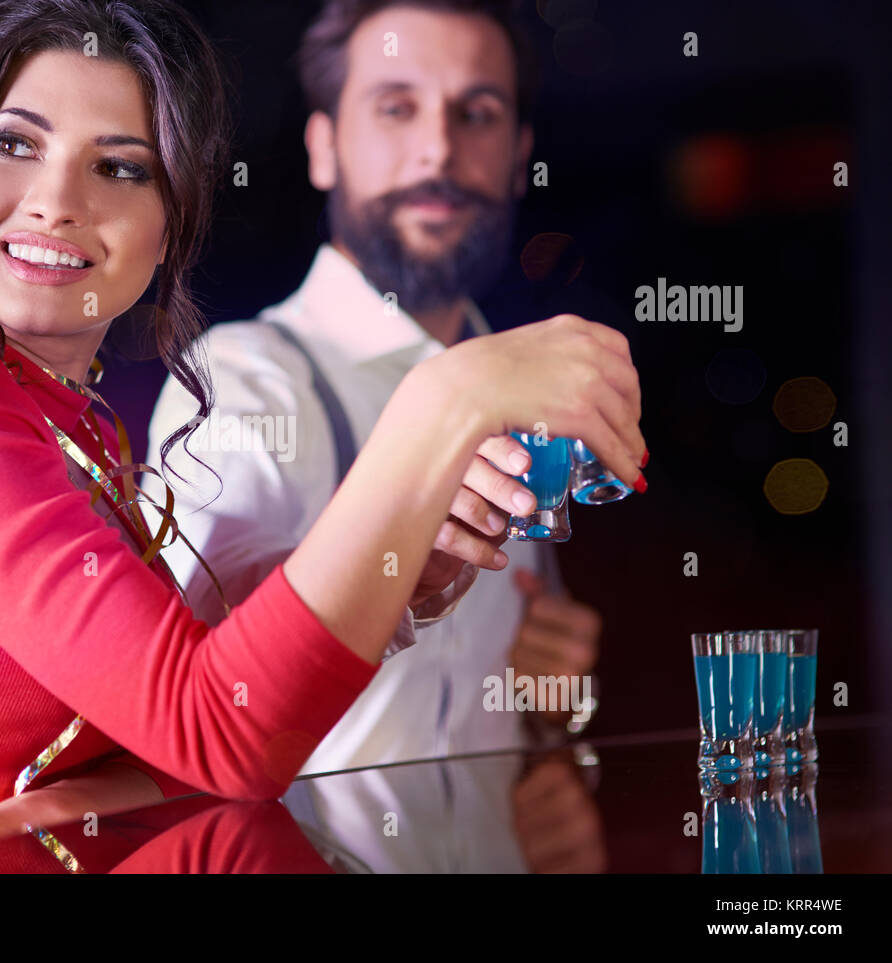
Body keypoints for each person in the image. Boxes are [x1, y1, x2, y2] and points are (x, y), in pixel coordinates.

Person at [0, 0, 644, 872]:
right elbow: (219, 726)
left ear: (170, 224)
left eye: (120, 168)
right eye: (14, 142)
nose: (57, 201)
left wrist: (405, 583)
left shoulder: (78, 429)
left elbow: (169, 735)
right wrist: (447, 396)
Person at [146, 0, 643, 771]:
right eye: (396, 107)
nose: (438, 149)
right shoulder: (240, 379)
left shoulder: (518, 384)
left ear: (519, 154)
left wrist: (553, 734)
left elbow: (510, 708)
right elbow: (197, 685)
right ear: (324, 147)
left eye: (476, 113)